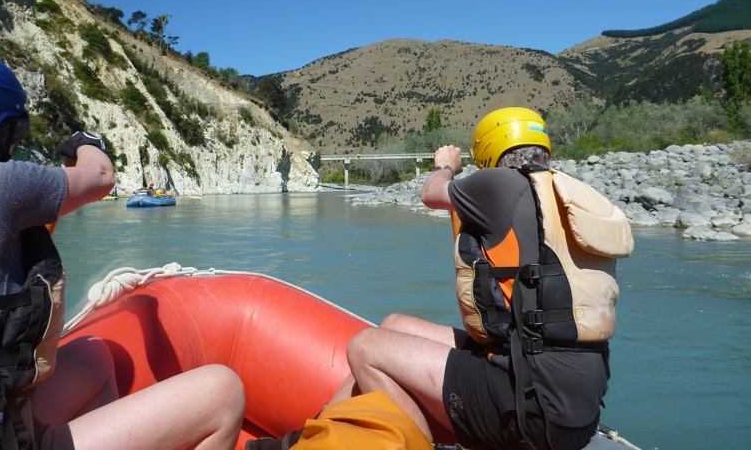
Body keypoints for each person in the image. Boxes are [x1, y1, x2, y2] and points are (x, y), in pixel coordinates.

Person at [250, 107, 632, 450]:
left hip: (532, 405)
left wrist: (446, 165)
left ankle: (401, 441)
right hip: (568, 399)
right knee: (394, 325)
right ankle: (315, 433)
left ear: (490, 151)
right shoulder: (568, 194)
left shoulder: (502, 183)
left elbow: (431, 193)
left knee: (365, 346)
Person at [0, 46, 245, 449]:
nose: (13, 145)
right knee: (224, 391)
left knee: (93, 354)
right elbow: (100, 174)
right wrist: (85, 141)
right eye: (14, 132)